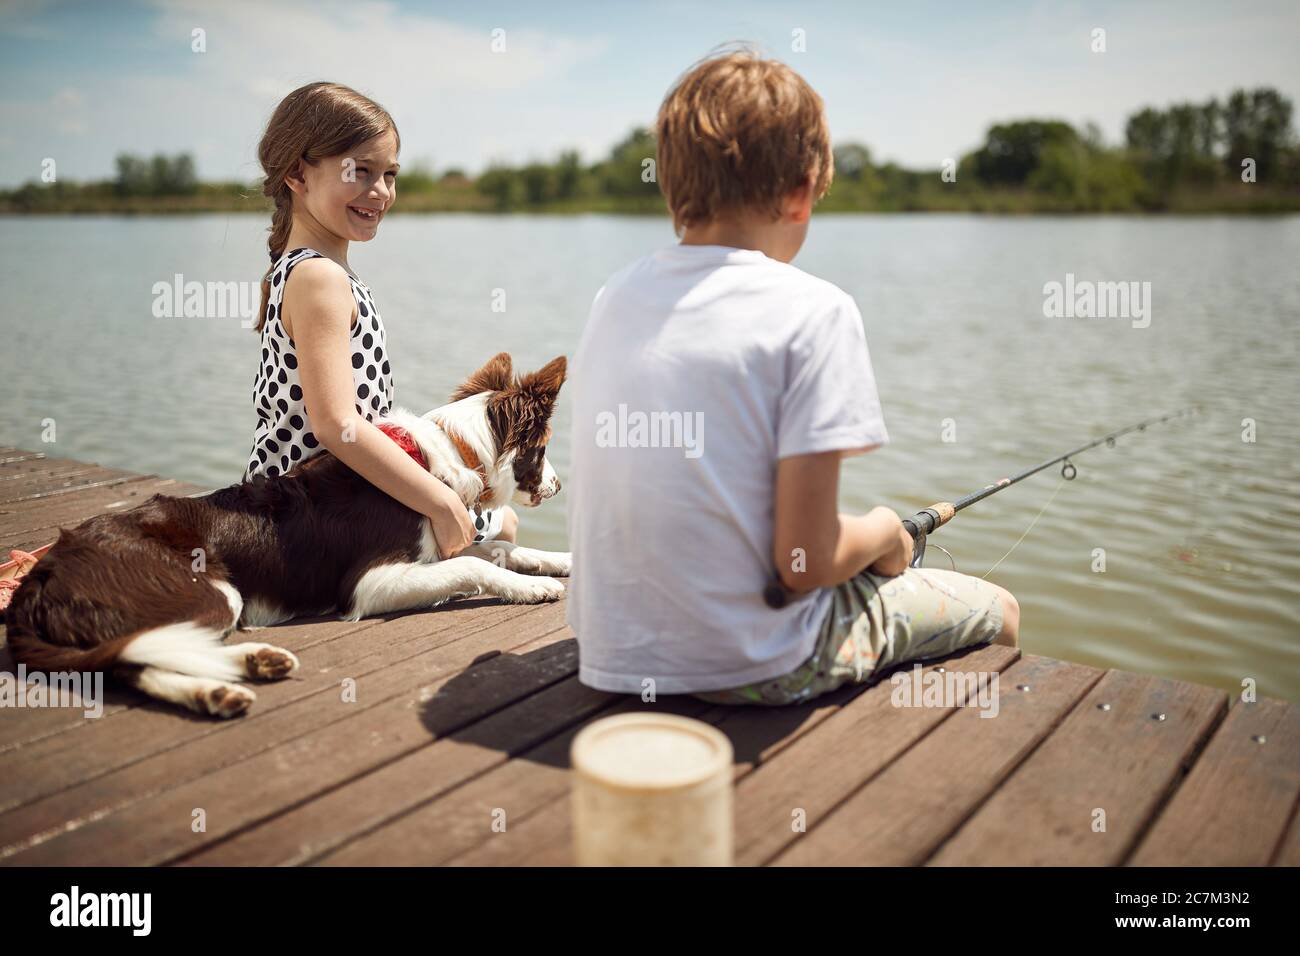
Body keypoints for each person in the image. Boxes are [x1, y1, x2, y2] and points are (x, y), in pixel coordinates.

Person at [566, 50, 1018, 706]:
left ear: (668, 185)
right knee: (999, 609)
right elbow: (802, 563)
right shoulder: (817, 311)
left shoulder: (614, 295)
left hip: (609, 652)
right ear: (802, 192)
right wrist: (888, 530)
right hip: (753, 666)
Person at [244, 82, 514, 556]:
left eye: (390, 174)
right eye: (360, 171)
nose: (381, 192)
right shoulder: (319, 277)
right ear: (296, 174)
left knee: (498, 517)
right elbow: (334, 424)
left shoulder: (313, 270)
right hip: (310, 514)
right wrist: (439, 501)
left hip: (331, 495)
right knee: (499, 528)